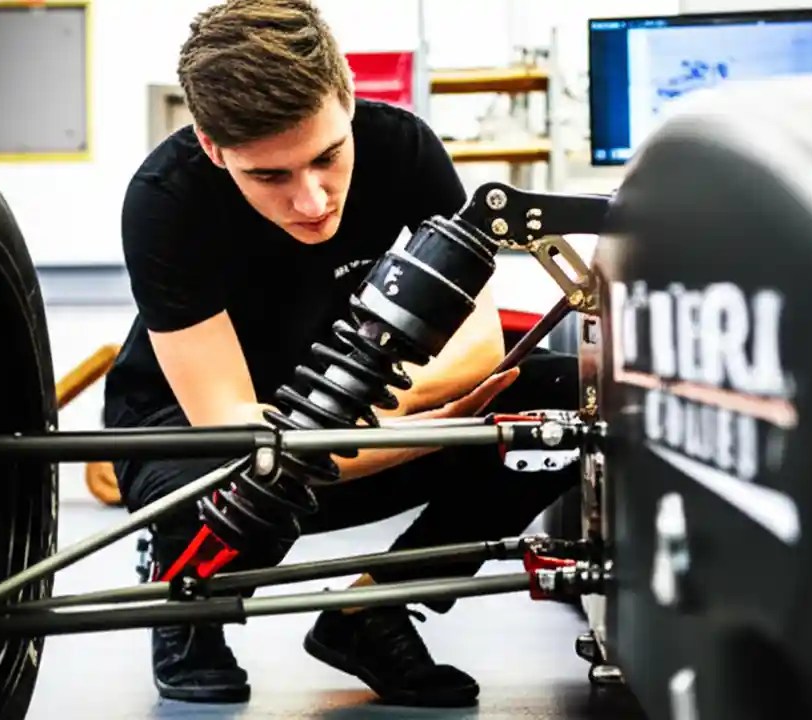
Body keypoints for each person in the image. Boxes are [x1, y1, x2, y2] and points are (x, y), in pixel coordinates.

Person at [100, 0, 579, 709]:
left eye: (327, 156)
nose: (313, 199)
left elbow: (479, 345)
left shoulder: (406, 152)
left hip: (364, 417)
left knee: (564, 402)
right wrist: (429, 425)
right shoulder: (164, 201)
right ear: (212, 147)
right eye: (270, 176)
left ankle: (369, 612)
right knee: (231, 471)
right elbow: (239, 431)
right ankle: (189, 609)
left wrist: (402, 415)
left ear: (348, 101)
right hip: (202, 441)